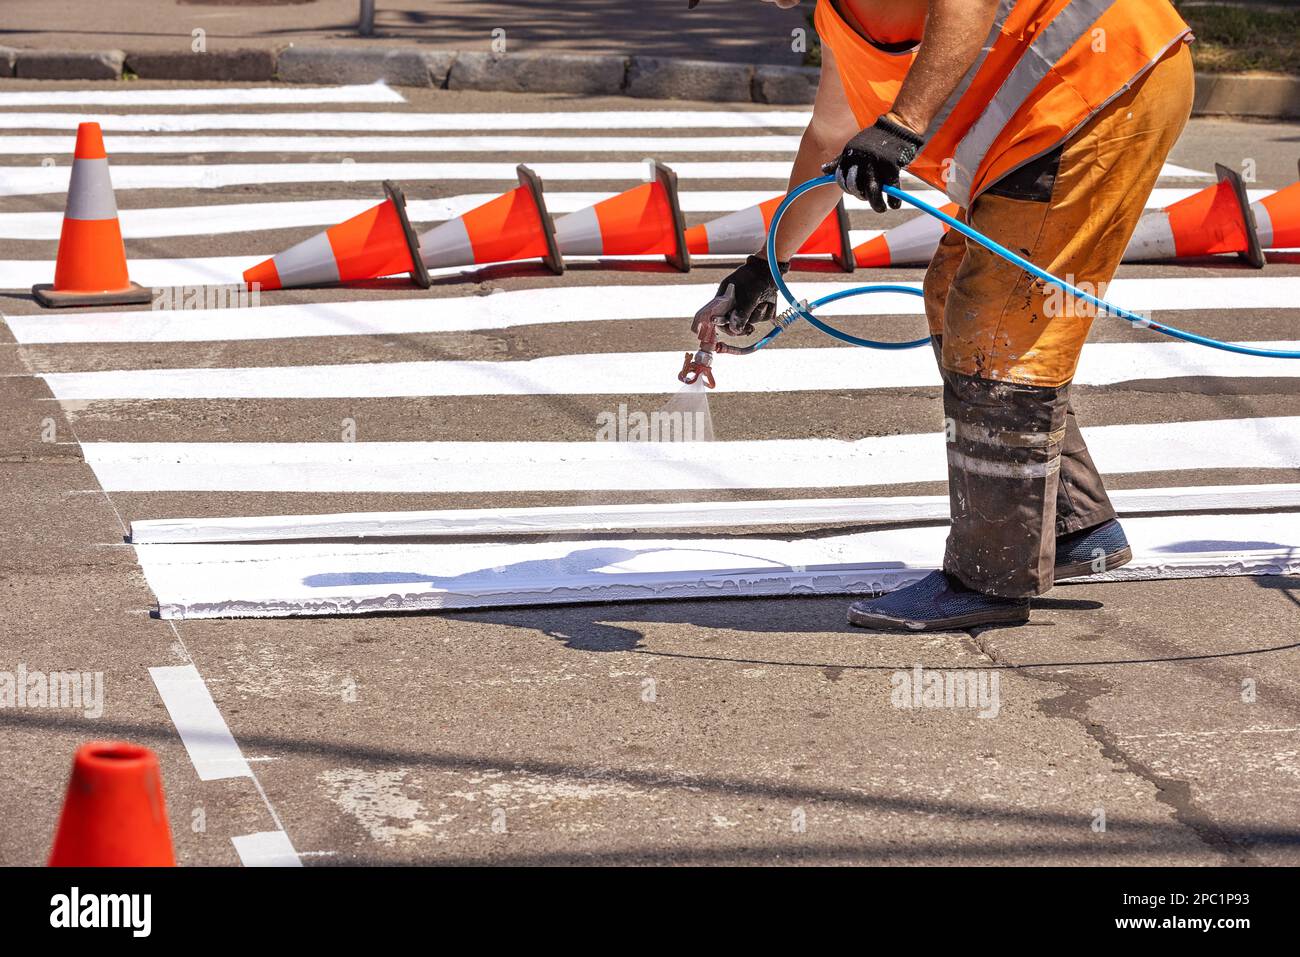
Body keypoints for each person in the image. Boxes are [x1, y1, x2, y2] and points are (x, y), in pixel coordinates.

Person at [690, 0, 1195, 631]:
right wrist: (769, 264)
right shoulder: (834, 15)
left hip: (1100, 92)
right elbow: (829, 133)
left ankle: (989, 575)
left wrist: (902, 124)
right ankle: (1072, 525)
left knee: (995, 329)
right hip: (1051, 122)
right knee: (956, 291)